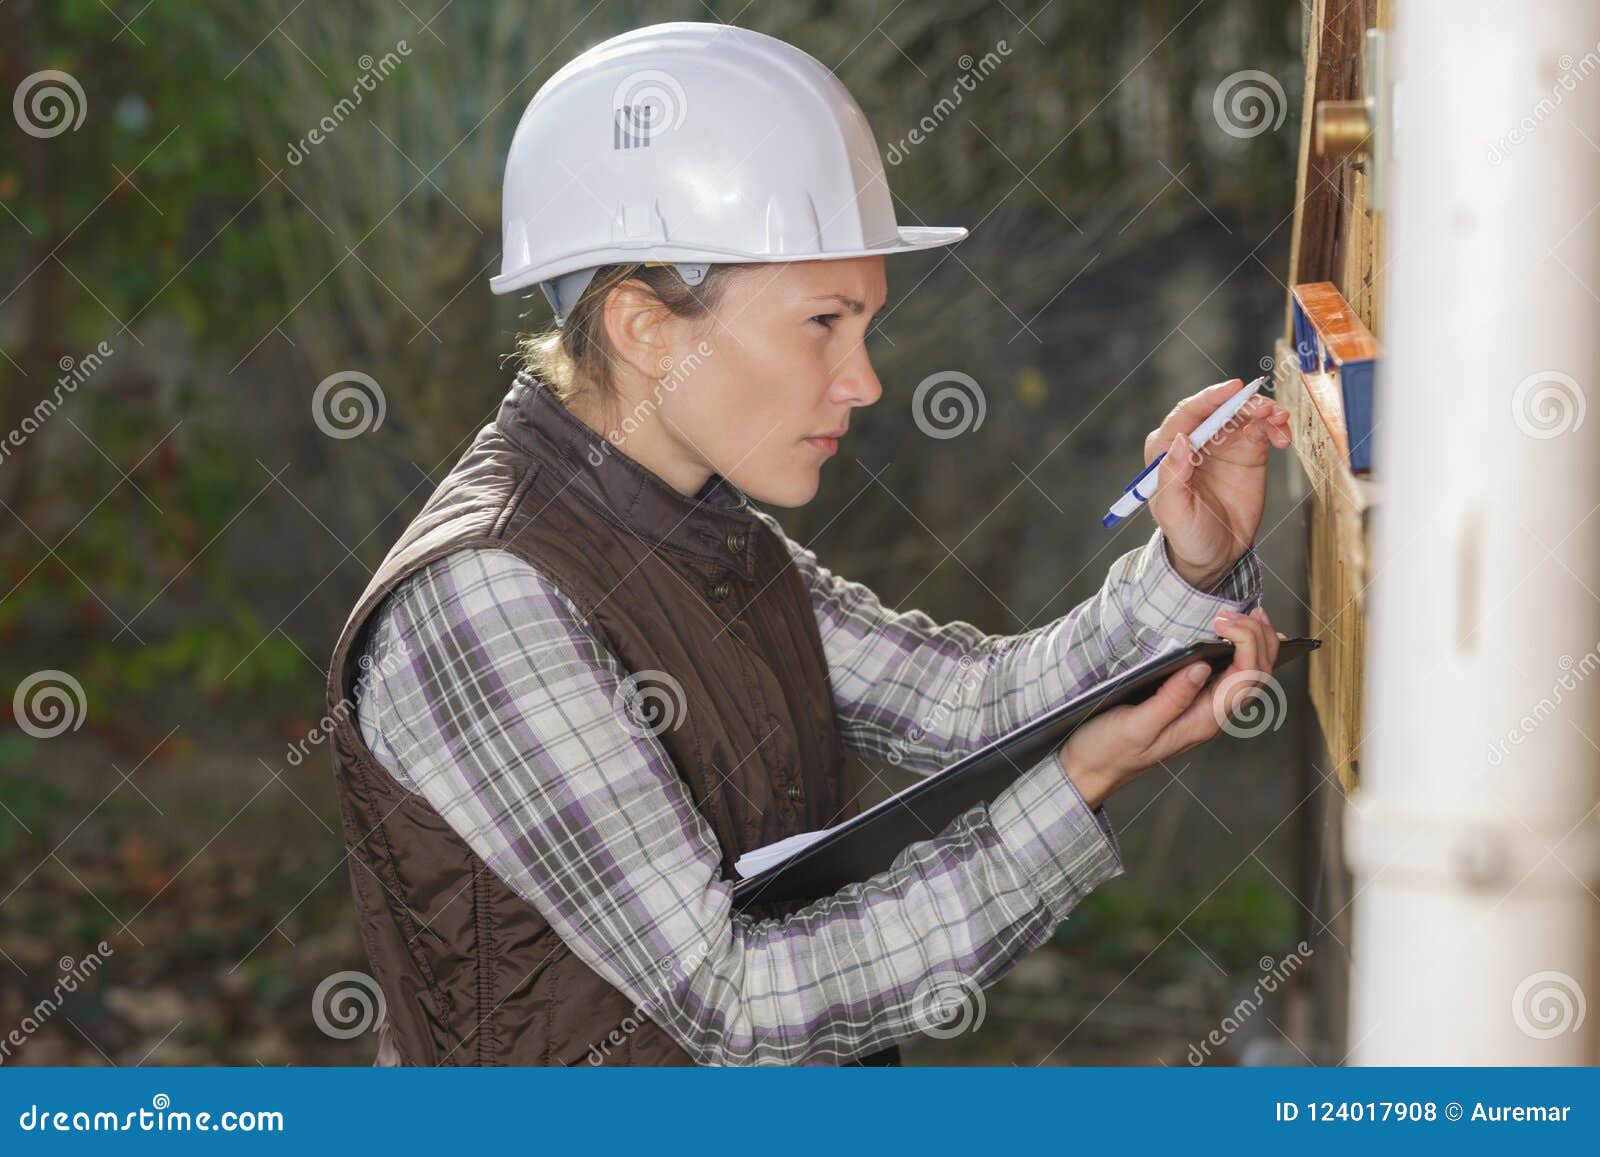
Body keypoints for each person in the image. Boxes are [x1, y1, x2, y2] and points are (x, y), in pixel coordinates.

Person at [324, 22, 1293, 1067]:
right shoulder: (486, 601)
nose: (863, 380)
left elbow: (969, 708)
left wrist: (1187, 563)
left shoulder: (703, 536)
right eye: (823, 321)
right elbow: (738, 1004)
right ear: (644, 328)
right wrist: (1069, 794)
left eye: (864, 324)